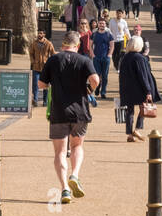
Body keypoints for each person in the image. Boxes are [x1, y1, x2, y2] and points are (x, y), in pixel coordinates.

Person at [38, 31, 99, 204]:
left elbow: (41, 84)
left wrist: (54, 83)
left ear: (63, 44)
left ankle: (65, 188)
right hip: (80, 111)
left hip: (59, 111)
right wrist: (88, 90)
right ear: (77, 45)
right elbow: (95, 80)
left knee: (59, 151)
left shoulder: (54, 60)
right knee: (77, 146)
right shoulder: (84, 60)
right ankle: (75, 174)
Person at [118, 36, 157, 142]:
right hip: (139, 87)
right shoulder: (140, 58)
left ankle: (130, 134)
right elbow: (143, 76)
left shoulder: (125, 57)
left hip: (127, 87)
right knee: (143, 109)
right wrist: (148, 90)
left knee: (129, 111)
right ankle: (137, 129)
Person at [29, 30, 56, 106]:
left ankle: (45, 101)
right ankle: (35, 100)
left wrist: (50, 63)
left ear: (44, 34)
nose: (39, 34)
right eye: (38, 33)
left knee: (46, 85)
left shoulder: (48, 43)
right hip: (36, 67)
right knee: (35, 84)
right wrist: (33, 61)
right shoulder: (34, 43)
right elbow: (31, 53)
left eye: (41, 33)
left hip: (45, 67)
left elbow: (53, 54)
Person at [91, 19, 114, 99]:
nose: (102, 25)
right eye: (100, 23)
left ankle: (103, 92)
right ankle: (97, 87)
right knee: (97, 75)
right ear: (98, 24)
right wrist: (92, 54)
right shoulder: (94, 34)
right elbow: (90, 45)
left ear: (105, 25)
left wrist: (109, 55)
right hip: (96, 57)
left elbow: (112, 45)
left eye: (103, 24)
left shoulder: (109, 35)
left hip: (106, 58)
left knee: (105, 76)